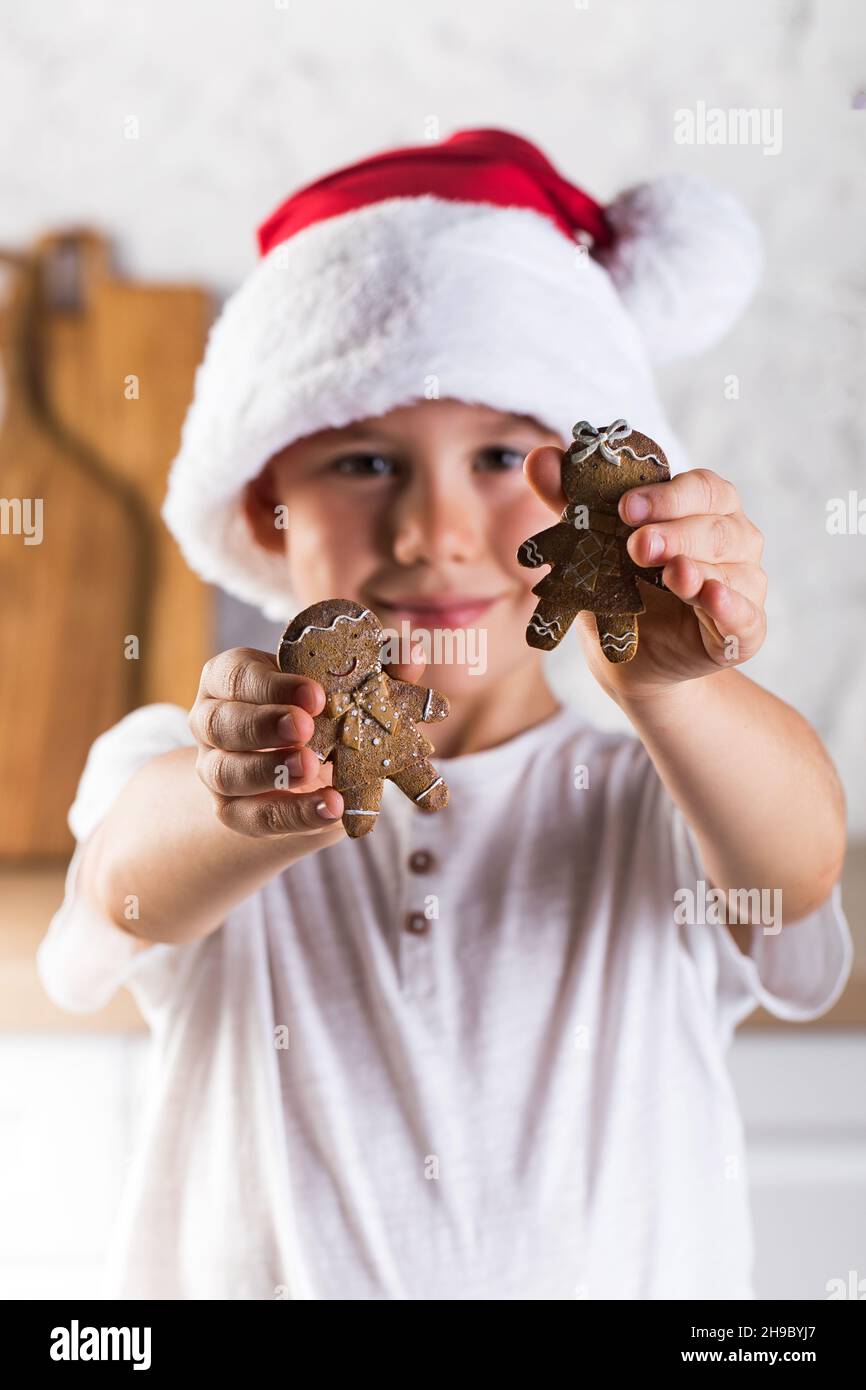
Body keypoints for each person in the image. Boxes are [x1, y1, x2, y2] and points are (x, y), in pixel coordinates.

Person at [37, 129, 851, 1300]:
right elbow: (122, 888)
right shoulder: (195, 763)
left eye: (499, 456)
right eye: (365, 463)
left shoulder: (653, 793)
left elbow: (799, 868)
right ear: (268, 505)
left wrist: (679, 688)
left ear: (587, 502)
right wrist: (252, 798)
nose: (434, 533)